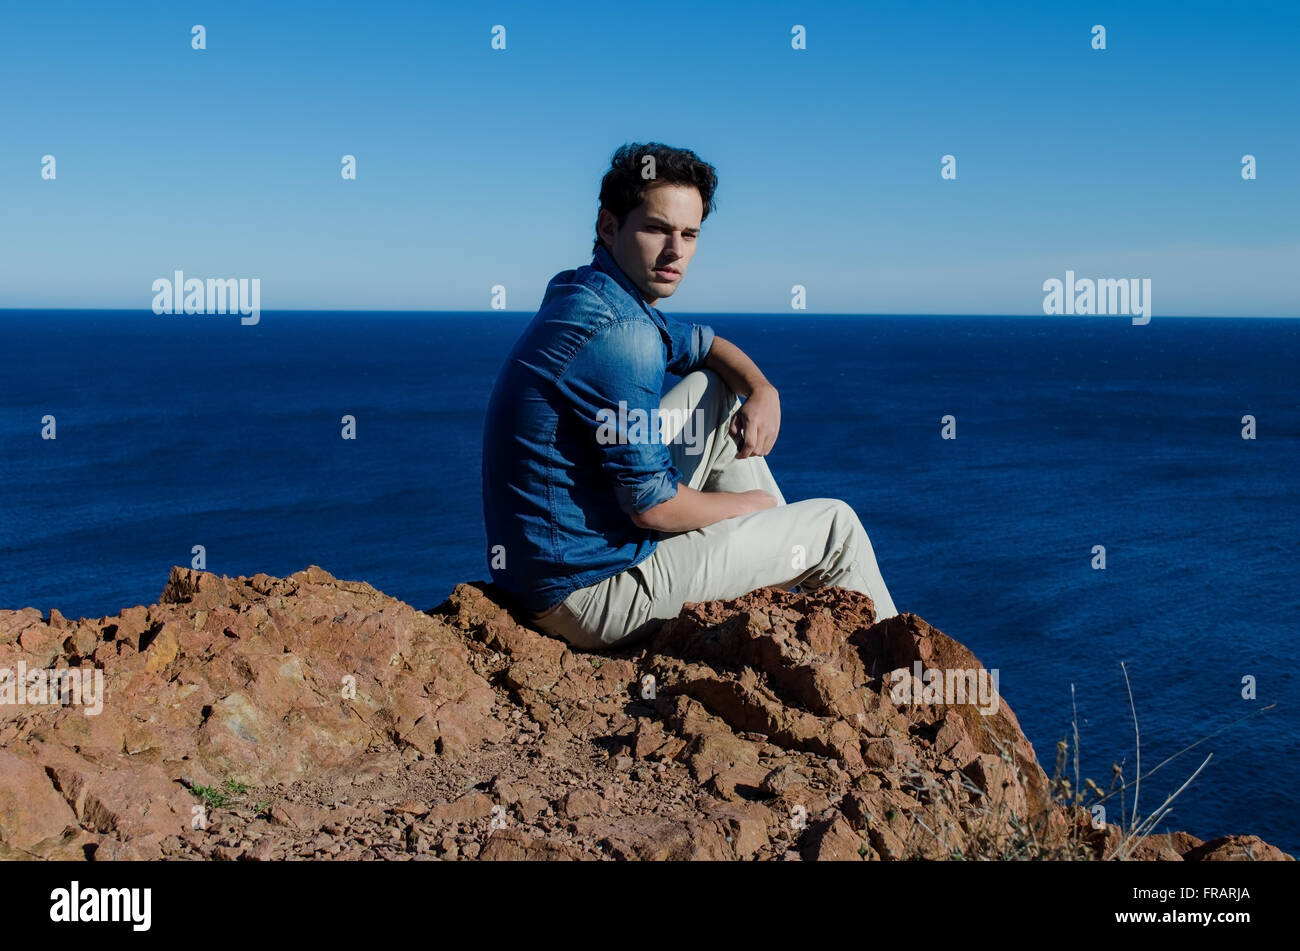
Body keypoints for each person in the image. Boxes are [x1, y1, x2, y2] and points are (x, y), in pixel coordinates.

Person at [480, 142, 898, 650]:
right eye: (656, 229)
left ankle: (782, 577)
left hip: (548, 571)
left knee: (715, 389)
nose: (675, 251)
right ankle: (899, 690)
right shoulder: (621, 333)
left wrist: (763, 390)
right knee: (836, 525)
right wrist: (748, 506)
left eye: (690, 234)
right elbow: (651, 509)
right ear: (609, 227)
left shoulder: (588, 291)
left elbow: (704, 346)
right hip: (588, 597)